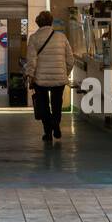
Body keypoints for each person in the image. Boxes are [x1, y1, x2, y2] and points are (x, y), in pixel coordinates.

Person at [25, 11, 75, 141]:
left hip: (40, 80)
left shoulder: (34, 38)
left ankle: (48, 133)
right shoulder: (61, 37)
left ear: (38, 23)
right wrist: (65, 73)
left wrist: (30, 75)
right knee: (57, 103)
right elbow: (70, 59)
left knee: (44, 105)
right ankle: (56, 125)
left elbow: (31, 60)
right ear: (51, 22)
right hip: (59, 78)